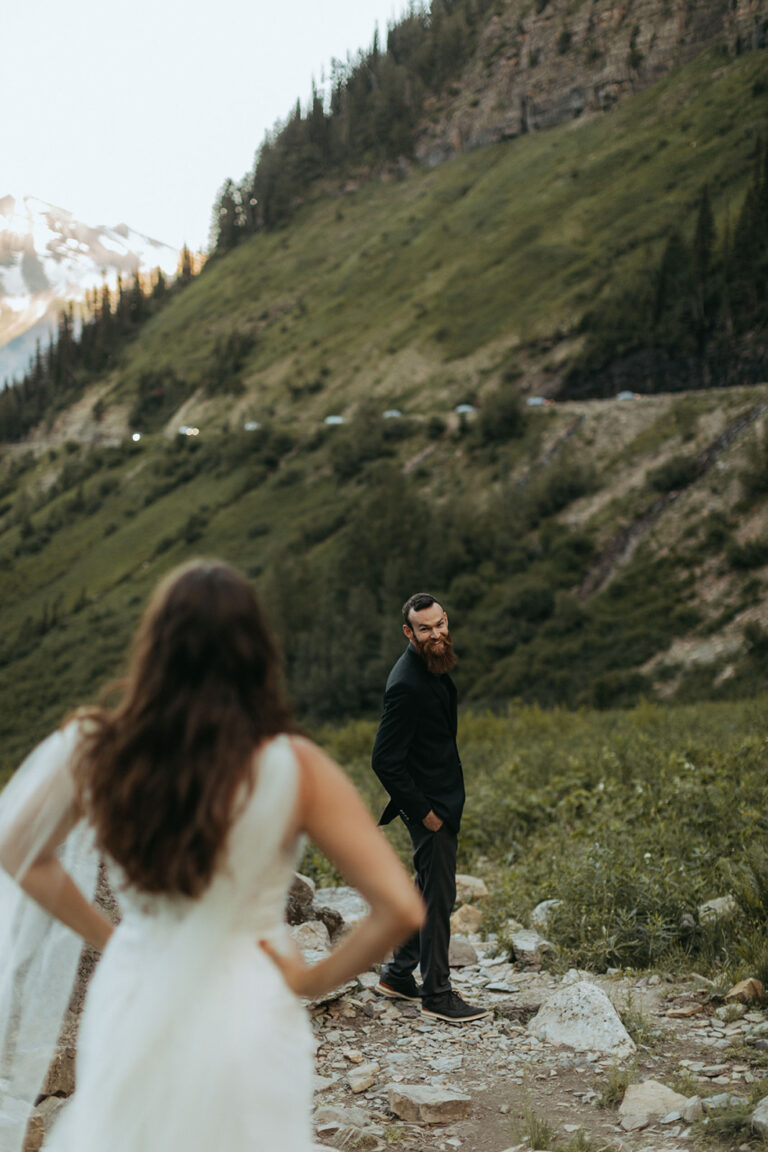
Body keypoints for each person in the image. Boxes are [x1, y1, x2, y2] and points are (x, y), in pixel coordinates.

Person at [0, 559, 424, 1152]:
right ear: (256, 653)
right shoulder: (295, 766)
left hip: (135, 989)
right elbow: (401, 907)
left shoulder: (97, 750)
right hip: (246, 1002)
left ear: (154, 649)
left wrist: (111, 938)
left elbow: (18, 848)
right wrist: (311, 979)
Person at [371, 592, 489, 1025]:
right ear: (409, 632)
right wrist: (424, 813)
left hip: (441, 799)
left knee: (426, 889)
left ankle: (398, 974)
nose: (436, 633)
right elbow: (384, 760)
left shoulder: (433, 663)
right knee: (439, 897)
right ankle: (437, 994)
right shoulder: (407, 683)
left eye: (440, 624)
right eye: (425, 629)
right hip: (430, 807)